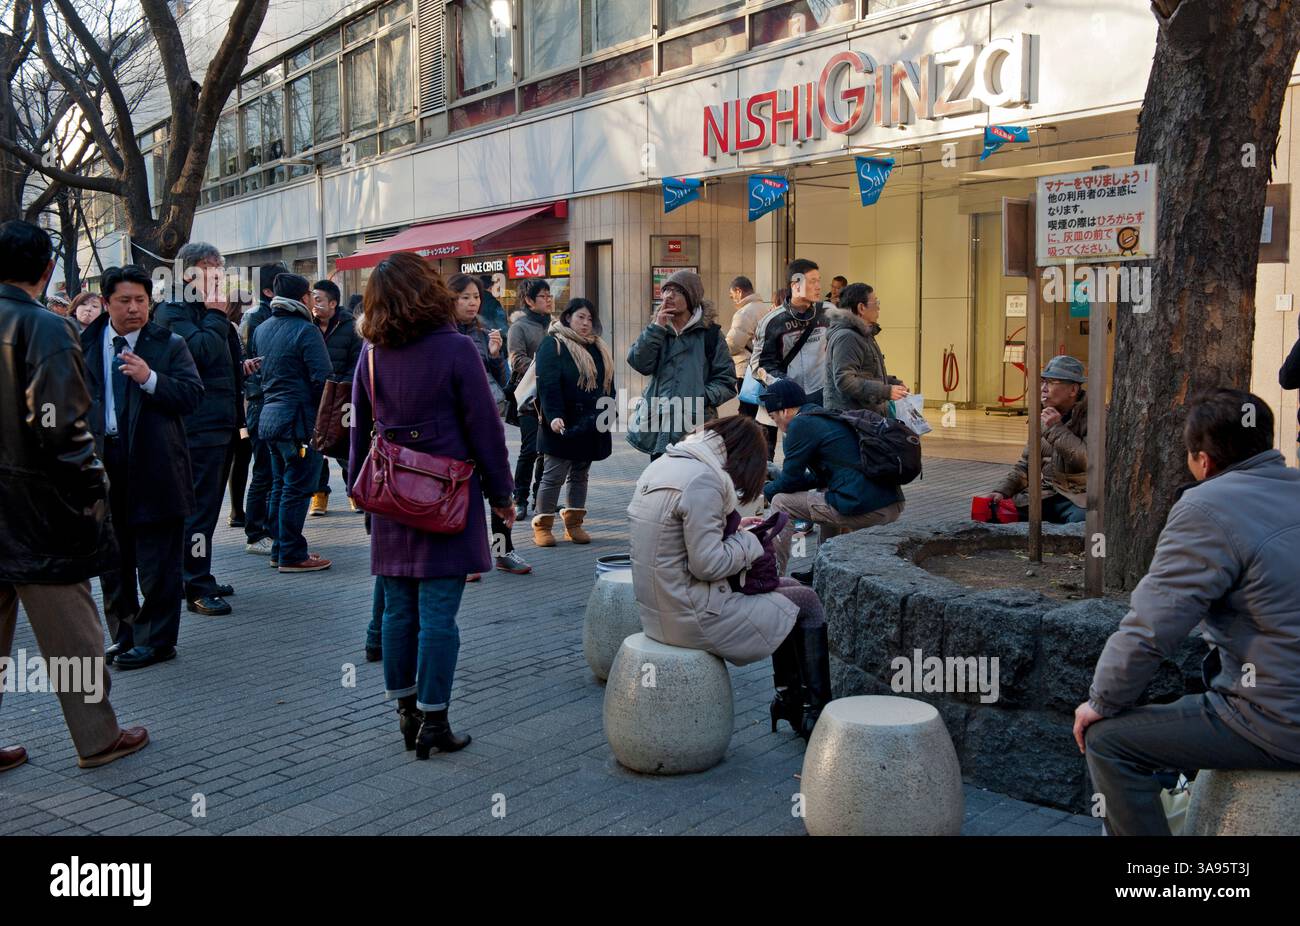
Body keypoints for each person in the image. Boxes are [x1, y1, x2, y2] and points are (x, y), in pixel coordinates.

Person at [1075, 389, 1300, 836]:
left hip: (1276, 720)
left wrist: (1101, 702)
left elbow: (1152, 625)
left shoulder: (1207, 507)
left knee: (1108, 743)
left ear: (1202, 461)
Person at [349, 253, 514, 758]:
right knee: (439, 614)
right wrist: (502, 494)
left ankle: (406, 712)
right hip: (446, 495)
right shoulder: (457, 349)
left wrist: (362, 497)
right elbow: (485, 428)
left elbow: (359, 425)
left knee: (398, 609)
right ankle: (436, 722)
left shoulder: (371, 354)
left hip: (390, 497)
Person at [0, 220, 148, 772]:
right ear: (45, 270)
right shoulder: (45, 327)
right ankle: (97, 737)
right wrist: (92, 487)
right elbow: (63, 427)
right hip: (38, 508)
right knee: (71, 636)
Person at [626, 415, 833, 739]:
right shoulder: (704, 481)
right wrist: (749, 541)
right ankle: (813, 715)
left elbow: (677, 541)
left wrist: (733, 529)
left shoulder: (670, 463)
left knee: (789, 588)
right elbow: (707, 565)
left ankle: (789, 701)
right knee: (807, 600)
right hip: (693, 615)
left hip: (662, 608)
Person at [80, 265, 204, 670]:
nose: (134, 309)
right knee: (113, 560)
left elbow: (190, 396)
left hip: (155, 464)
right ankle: (125, 634)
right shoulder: (86, 342)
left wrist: (150, 379)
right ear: (105, 302)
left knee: (157, 561)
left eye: (141, 301)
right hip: (103, 462)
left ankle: (157, 641)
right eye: (124, 301)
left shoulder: (168, 344)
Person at [154, 241, 242, 615]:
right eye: (213, 270)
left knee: (201, 509)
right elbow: (200, 354)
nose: (220, 278)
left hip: (218, 422)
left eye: (222, 270)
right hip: (197, 425)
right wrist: (217, 315)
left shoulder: (201, 310)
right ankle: (196, 583)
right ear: (190, 272)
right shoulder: (175, 309)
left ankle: (190, 576)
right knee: (199, 511)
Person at [761, 379, 905, 578]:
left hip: (867, 507)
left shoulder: (799, 425)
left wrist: (766, 491)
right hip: (891, 502)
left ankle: (771, 575)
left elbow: (789, 482)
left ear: (785, 411)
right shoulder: (823, 416)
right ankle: (822, 573)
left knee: (781, 502)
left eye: (773, 417)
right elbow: (820, 479)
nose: (776, 424)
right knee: (825, 494)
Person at [448, 273, 530, 577]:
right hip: (454, 425)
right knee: (459, 492)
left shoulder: (483, 334)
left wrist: (496, 358)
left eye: (476, 297)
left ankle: (502, 551)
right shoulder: (442, 335)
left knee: (499, 486)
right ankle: (463, 557)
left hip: (485, 420)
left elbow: (503, 385)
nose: (472, 303)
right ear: (450, 299)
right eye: (465, 297)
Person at [252, 272, 333, 573]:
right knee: (297, 487)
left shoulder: (262, 329)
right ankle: (291, 552)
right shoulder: (305, 330)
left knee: (279, 485)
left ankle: (278, 548)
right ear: (303, 299)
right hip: (299, 420)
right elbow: (323, 377)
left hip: (270, 418)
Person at [626, 269, 736, 460]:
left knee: (692, 483)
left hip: (694, 425)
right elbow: (639, 363)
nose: (668, 296)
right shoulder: (658, 330)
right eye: (666, 291)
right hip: (659, 424)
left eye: (676, 291)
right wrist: (656, 328)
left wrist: (701, 396)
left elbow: (726, 380)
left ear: (691, 298)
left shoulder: (710, 334)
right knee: (659, 482)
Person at [532, 298, 615, 547]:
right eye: (581, 317)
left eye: (590, 318)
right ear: (568, 317)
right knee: (553, 475)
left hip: (590, 422)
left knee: (580, 474)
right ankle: (543, 525)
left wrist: (608, 411)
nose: (586, 323)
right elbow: (547, 383)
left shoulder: (598, 347)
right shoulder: (553, 343)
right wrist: (554, 415)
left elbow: (607, 383)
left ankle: (574, 524)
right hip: (562, 420)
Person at [988, 355, 1088, 524]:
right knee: (992, 511)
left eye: (1051, 382)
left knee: (1083, 524)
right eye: (1043, 382)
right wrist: (1002, 491)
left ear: (1073, 390)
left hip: (1079, 497)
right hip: (1046, 494)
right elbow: (1026, 465)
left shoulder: (1094, 416)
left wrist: (1056, 428)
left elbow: (1089, 461)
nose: (1043, 388)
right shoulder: (1042, 415)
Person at [237, 263, 286, 556]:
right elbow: (251, 364)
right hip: (261, 401)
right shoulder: (257, 318)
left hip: (269, 400)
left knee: (273, 471)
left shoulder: (267, 316)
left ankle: (269, 527)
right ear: (269, 291)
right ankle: (255, 533)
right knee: (264, 471)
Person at [308, 279, 363, 517]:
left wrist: (341, 385)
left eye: (319, 300)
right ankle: (319, 495)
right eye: (312, 299)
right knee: (315, 449)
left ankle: (354, 492)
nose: (314, 304)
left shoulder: (350, 326)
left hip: (342, 396)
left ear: (333, 303)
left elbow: (357, 362)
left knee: (345, 446)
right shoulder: (306, 325)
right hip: (314, 397)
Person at [755, 258, 831, 408]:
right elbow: (760, 366)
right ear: (795, 285)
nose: (818, 287)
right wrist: (786, 386)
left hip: (826, 395)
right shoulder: (772, 321)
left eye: (819, 281)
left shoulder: (829, 311)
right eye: (812, 281)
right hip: (792, 401)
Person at [506, 279, 553, 520]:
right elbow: (516, 360)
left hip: (552, 398)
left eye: (549, 295)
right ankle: (520, 498)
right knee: (530, 449)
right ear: (529, 300)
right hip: (528, 398)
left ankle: (541, 498)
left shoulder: (555, 326)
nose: (549, 299)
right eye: (543, 296)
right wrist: (545, 369)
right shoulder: (519, 327)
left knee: (548, 449)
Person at [824, 282, 909, 414]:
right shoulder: (847, 337)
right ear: (861, 308)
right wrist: (885, 391)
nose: (879, 308)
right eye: (876, 303)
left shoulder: (862, 333)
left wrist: (891, 382)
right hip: (852, 419)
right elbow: (845, 381)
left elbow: (866, 371)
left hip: (863, 417)